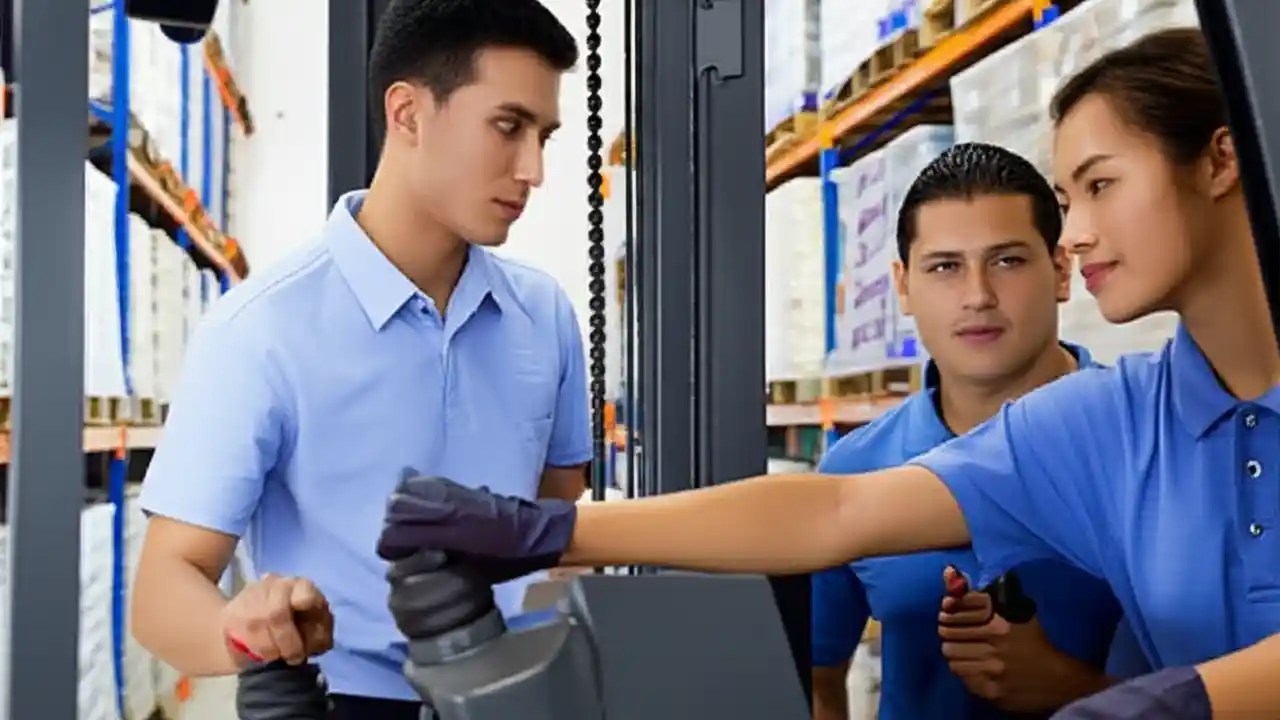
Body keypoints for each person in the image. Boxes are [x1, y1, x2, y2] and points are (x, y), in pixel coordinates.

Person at [374, 26, 1280, 717]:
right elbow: (838, 507)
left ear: (1222, 159)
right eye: (1067, 197)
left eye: (1099, 185)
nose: (1074, 235)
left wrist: (1191, 699)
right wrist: (549, 529)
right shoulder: (1117, 419)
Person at [131, 1, 590, 717]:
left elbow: (563, 522)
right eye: (508, 126)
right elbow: (162, 593)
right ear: (407, 114)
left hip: (522, 693)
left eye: (545, 135)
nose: (533, 170)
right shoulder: (259, 330)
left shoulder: (546, 316)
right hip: (343, 702)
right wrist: (247, 627)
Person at [810, 143, 1138, 720]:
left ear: (1061, 271)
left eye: (1007, 261)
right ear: (903, 286)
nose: (978, 296)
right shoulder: (855, 471)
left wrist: (1069, 686)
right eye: (944, 267)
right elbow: (816, 678)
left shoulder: (1149, 443)